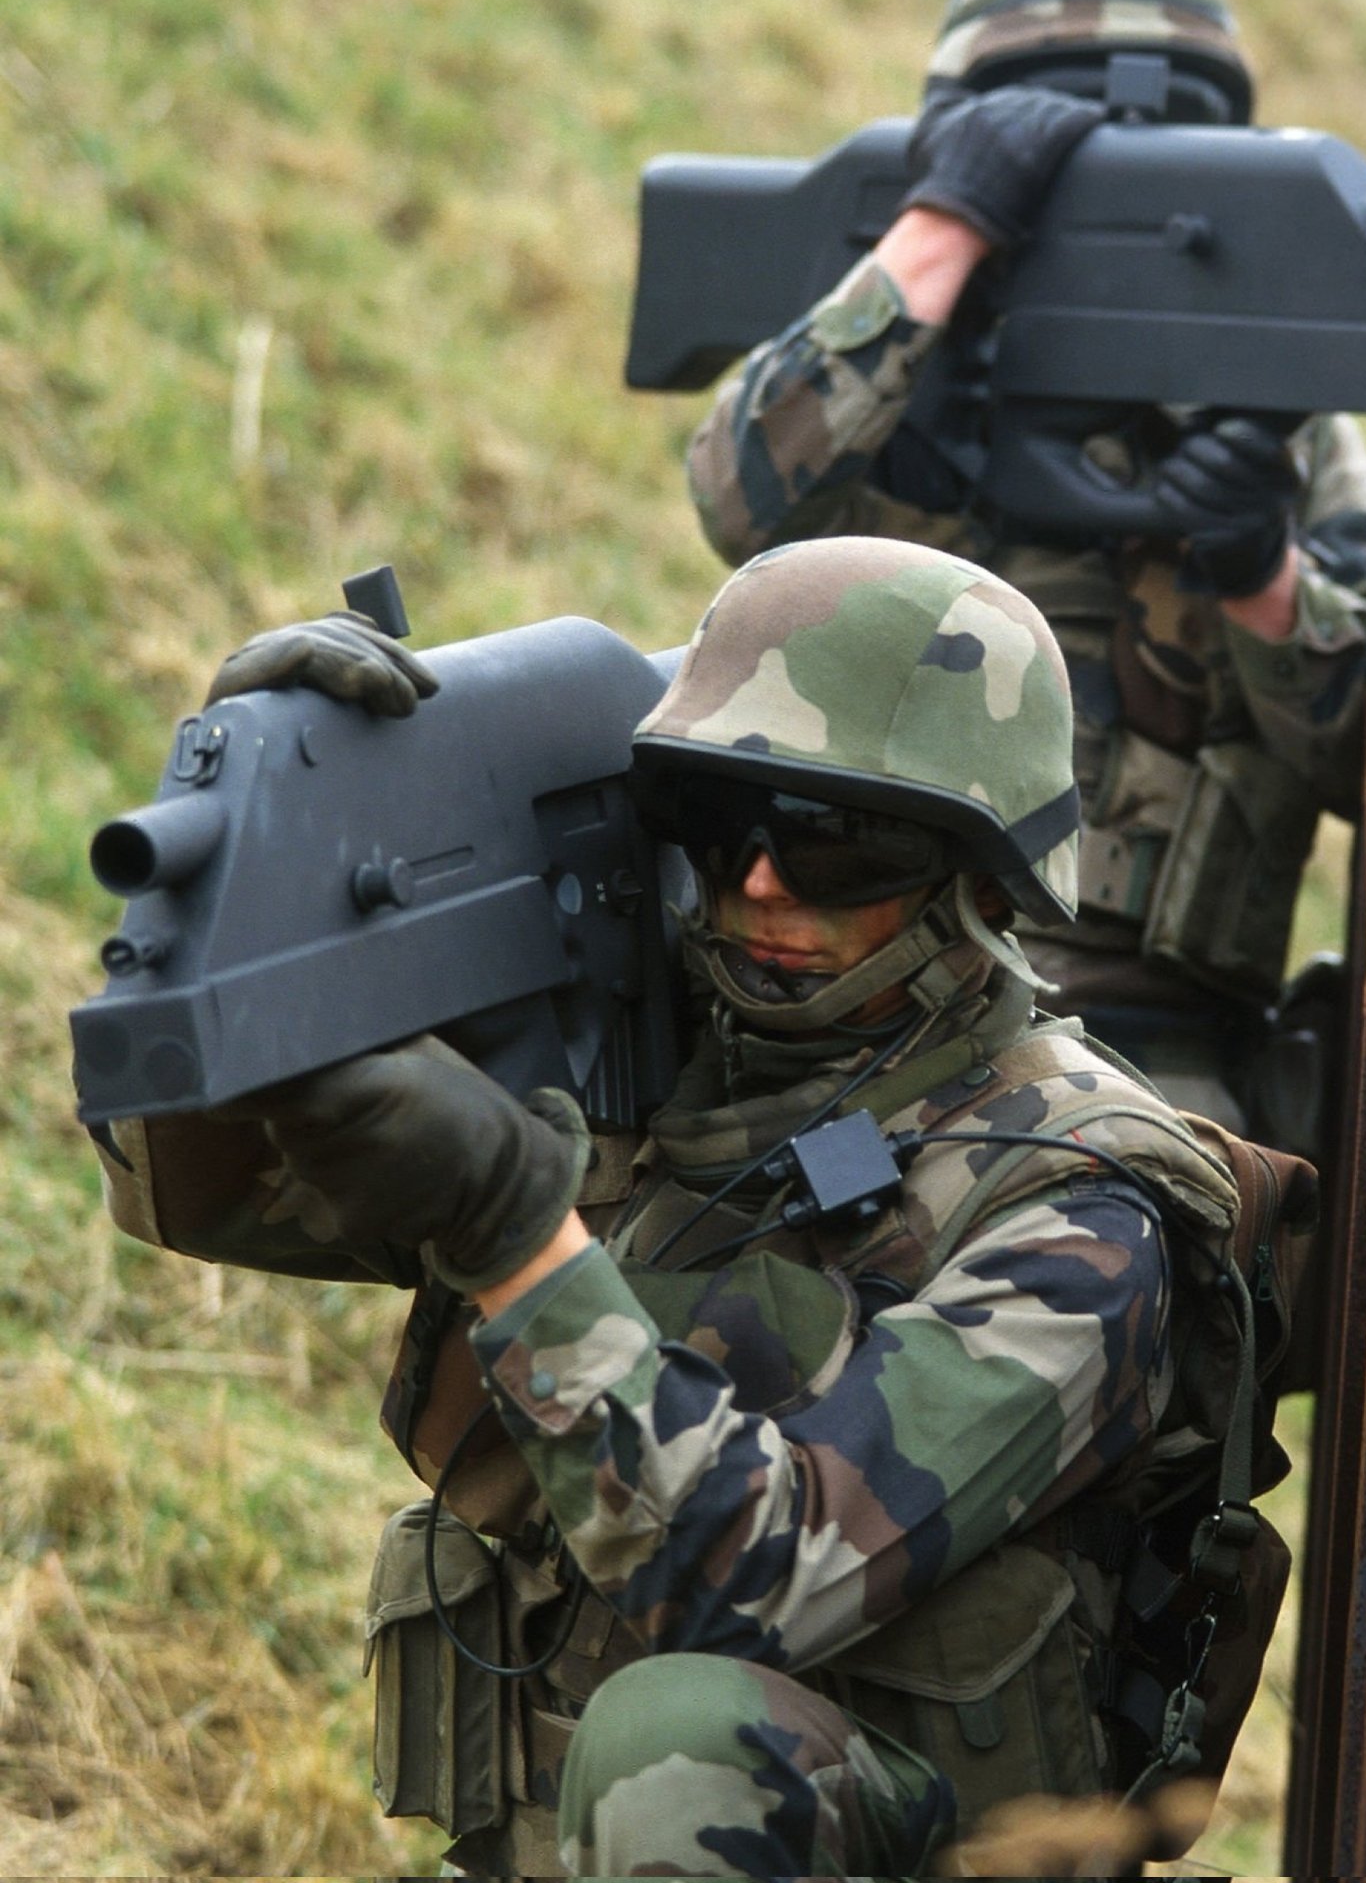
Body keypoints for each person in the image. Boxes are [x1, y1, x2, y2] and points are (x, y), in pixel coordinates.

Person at [95, 538, 1301, 1878]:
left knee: (683, 1730)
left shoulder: (1079, 1205)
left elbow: (762, 1579)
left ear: (982, 871)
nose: (767, 888)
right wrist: (256, 863)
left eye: (838, 846)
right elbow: (207, 1203)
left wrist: (517, 1232)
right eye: (728, 830)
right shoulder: (654, 1056)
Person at [688, 0, 1366, 1147]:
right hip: (840, 968)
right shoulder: (897, 356)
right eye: (1050, 151)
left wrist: (1261, 572)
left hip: (1144, 1035)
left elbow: (1358, 761)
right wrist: (948, 224)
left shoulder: (1287, 411)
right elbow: (735, 495)